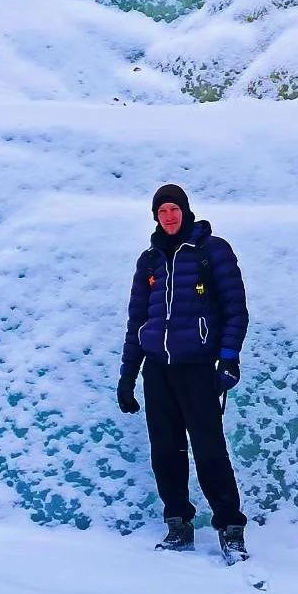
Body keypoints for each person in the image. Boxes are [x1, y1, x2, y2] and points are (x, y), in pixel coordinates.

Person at [117, 183, 250, 561]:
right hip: (157, 370)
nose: (169, 216)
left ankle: (231, 527)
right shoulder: (149, 261)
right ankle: (178, 524)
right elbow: (137, 321)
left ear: (185, 210)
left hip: (197, 368)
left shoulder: (212, 251)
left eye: (173, 209)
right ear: (155, 216)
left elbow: (236, 310)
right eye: (162, 211)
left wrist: (228, 359)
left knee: (210, 450)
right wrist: (128, 376)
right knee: (166, 451)